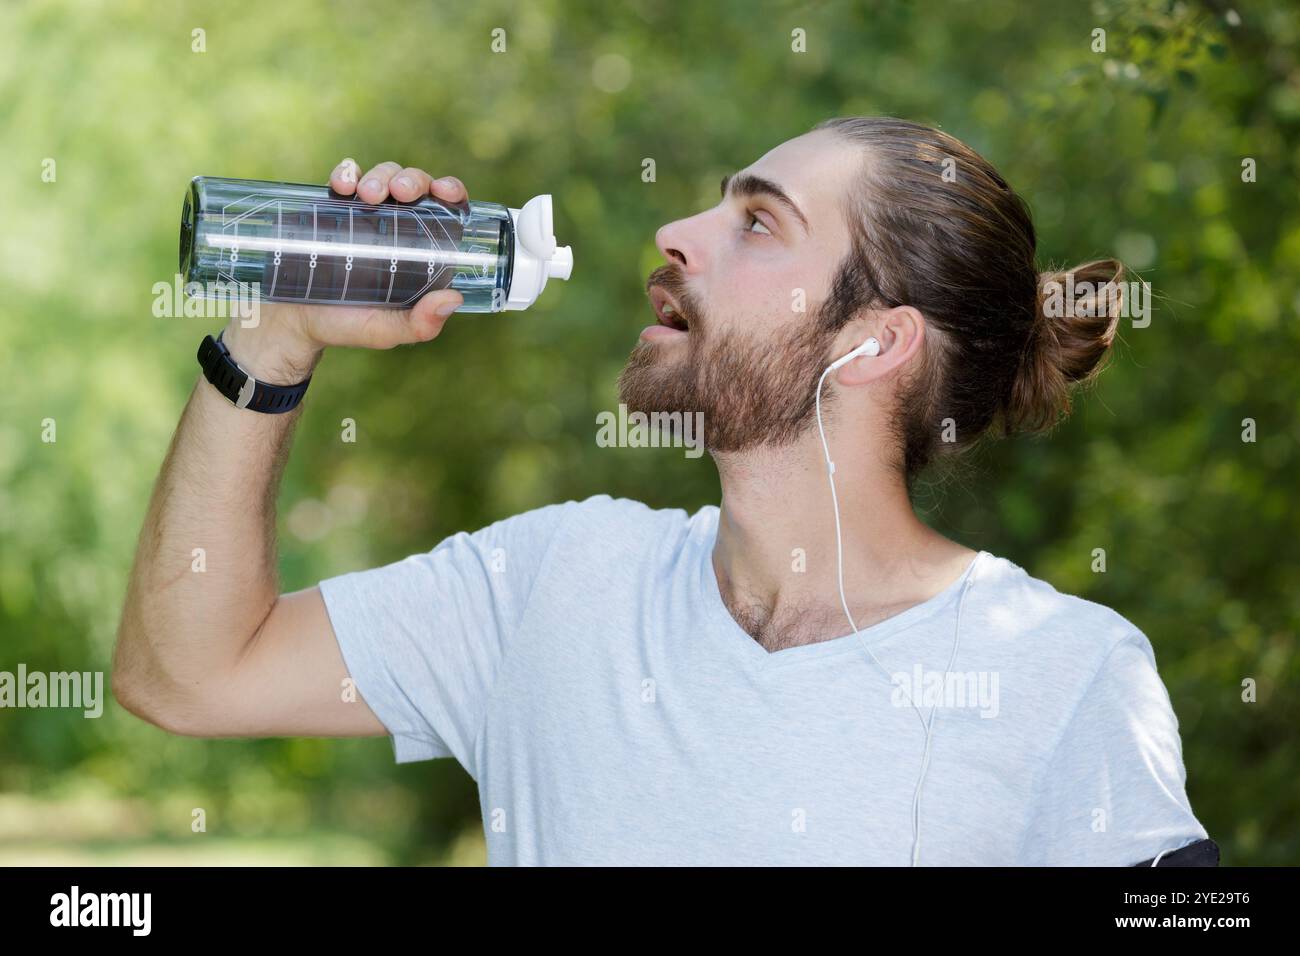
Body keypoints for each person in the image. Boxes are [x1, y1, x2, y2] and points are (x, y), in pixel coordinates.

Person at [113, 117, 1213, 866]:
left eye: (756, 221)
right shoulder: (555, 582)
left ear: (874, 343)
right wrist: (279, 334)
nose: (676, 234)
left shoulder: (1062, 671)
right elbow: (186, 674)